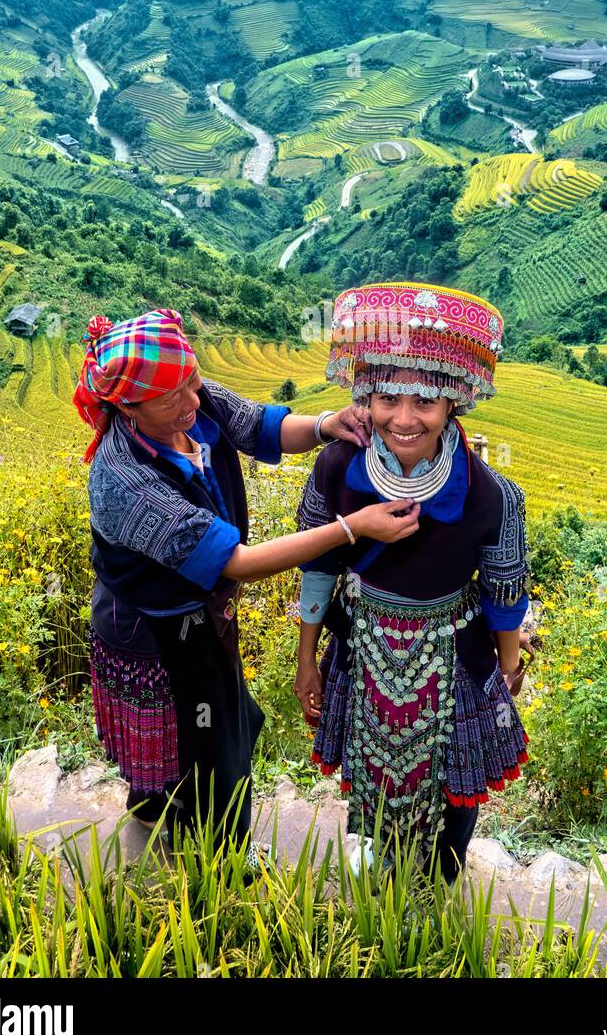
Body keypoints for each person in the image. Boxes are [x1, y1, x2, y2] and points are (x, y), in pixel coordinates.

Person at [73, 307, 421, 857]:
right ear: (127, 407)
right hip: (152, 625)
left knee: (211, 724)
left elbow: (261, 427)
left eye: (193, 380)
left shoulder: (195, 403)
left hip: (198, 613)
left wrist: (324, 424)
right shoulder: (124, 479)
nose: (193, 398)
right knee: (205, 744)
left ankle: (171, 813)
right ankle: (222, 859)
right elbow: (235, 560)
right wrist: (351, 528)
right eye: (173, 396)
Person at [292, 282, 533, 882]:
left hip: (455, 660)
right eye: (389, 398)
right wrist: (307, 657)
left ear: (453, 405)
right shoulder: (335, 468)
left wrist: (506, 670)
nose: (404, 418)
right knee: (369, 769)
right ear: (365, 399)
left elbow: (505, 596)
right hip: (363, 651)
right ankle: (375, 882)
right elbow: (318, 569)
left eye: (424, 402)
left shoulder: (492, 494)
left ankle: (437, 887)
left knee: (455, 785)